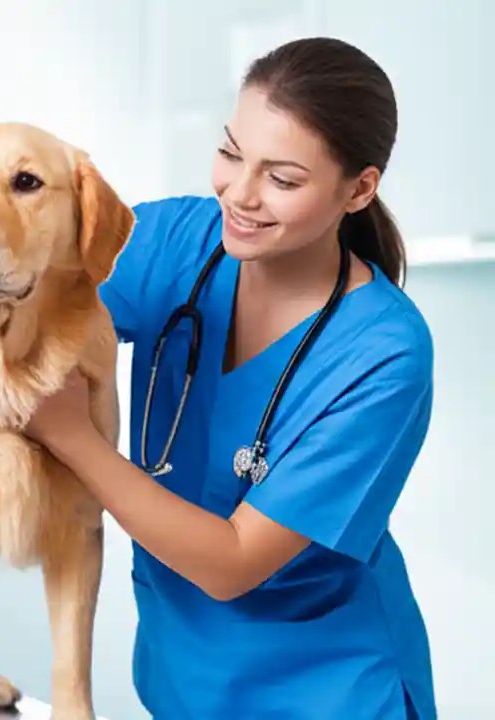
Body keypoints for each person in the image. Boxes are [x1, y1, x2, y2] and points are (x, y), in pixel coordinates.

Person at [24, 37, 435, 719]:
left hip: (331, 695)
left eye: (282, 178)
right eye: (231, 153)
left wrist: (72, 437)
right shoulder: (173, 242)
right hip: (183, 686)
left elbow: (232, 563)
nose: (238, 195)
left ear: (359, 188)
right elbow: (20, 297)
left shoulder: (383, 353)